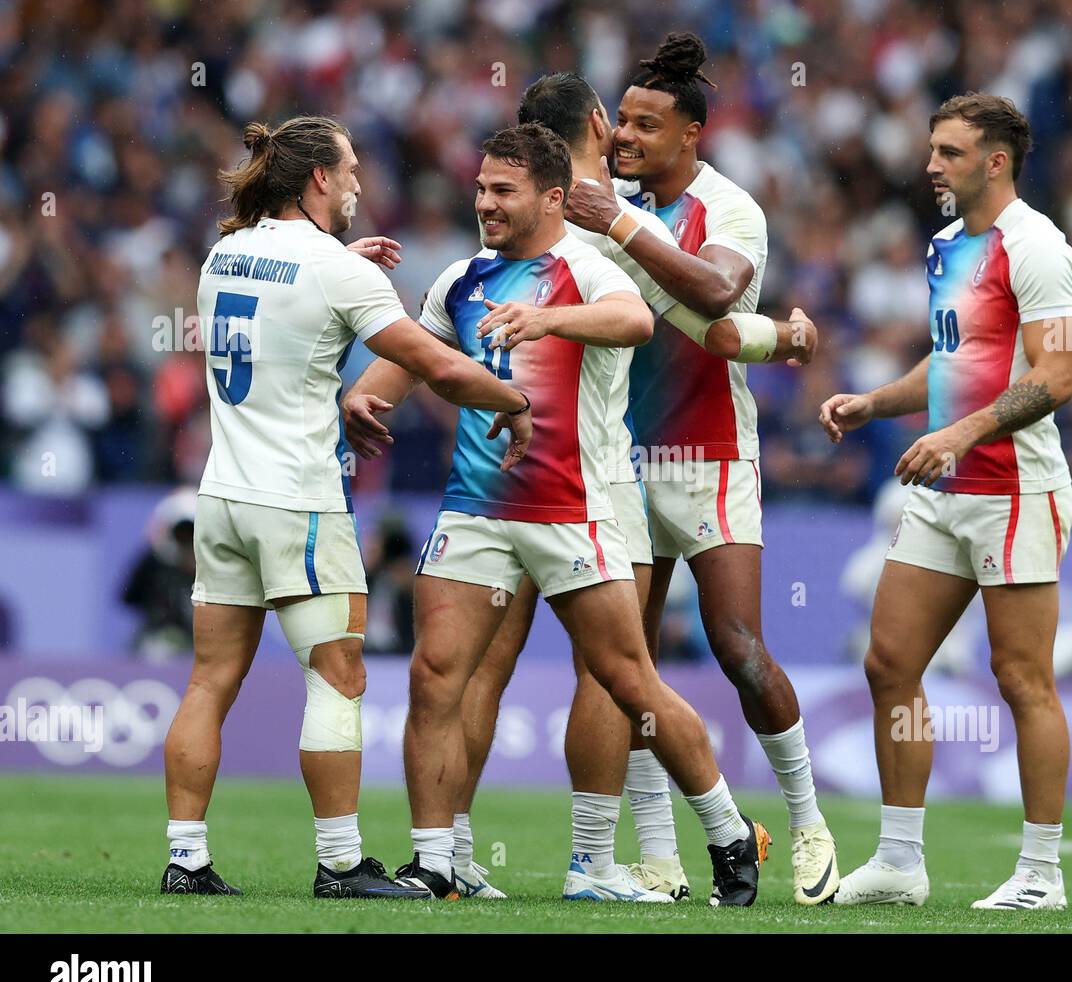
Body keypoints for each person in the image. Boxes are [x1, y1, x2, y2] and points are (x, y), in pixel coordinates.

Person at [345, 70, 816, 901]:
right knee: (448, 674)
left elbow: (654, 318)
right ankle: (442, 859)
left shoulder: (601, 247)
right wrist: (363, 396)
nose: (486, 203)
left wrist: (779, 335)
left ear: (549, 192)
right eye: (481, 188)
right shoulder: (463, 275)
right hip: (484, 505)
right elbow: (417, 355)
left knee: (621, 677)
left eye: (502, 190)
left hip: (588, 501)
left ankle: (698, 836)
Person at [160, 115, 533, 900]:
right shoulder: (336, 272)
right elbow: (434, 362)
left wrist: (341, 269)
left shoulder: (224, 252)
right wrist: (512, 396)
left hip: (222, 496)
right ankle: (339, 864)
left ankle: (185, 859)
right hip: (297, 501)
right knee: (338, 678)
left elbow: (280, 312)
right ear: (319, 179)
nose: (362, 180)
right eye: (352, 168)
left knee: (208, 682)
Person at [562, 31, 840, 904]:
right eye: (623, 125)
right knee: (628, 662)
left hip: (713, 456)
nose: (629, 139)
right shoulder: (606, 207)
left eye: (648, 125)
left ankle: (808, 824)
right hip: (623, 458)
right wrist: (782, 337)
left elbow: (716, 298)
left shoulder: (728, 208)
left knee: (737, 645)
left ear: (693, 136)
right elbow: (718, 329)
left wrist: (619, 222)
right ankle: (655, 855)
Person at [819, 92, 1072, 910]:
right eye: (933, 149)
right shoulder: (944, 247)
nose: (931, 164)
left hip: (1014, 488)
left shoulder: (1039, 246)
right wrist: (875, 402)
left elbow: (1057, 375)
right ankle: (900, 861)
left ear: (995, 161)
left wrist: (959, 435)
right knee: (889, 660)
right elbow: (948, 370)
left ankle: (1041, 874)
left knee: (1021, 677)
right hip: (945, 487)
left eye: (950, 152)